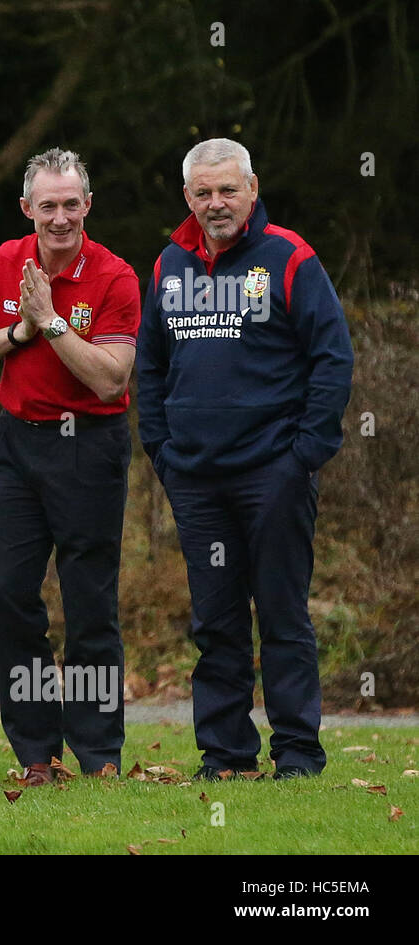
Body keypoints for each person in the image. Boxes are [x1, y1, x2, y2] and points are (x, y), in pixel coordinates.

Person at [136, 138, 353, 781]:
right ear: (187, 198)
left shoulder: (290, 258)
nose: (216, 203)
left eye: (228, 190)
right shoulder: (169, 265)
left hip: (274, 474)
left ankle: (297, 756)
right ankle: (225, 755)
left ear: (252, 190)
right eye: (203, 193)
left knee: (282, 615)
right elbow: (149, 366)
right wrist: (163, 451)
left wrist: (305, 454)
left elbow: (332, 359)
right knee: (216, 622)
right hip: (196, 480)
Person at [0, 148, 140, 784]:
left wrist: (51, 322)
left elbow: (111, 381)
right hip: (16, 449)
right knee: (11, 597)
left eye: (71, 204)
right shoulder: (5, 262)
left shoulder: (115, 277)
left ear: (89, 205)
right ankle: (37, 753)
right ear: (27, 208)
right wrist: (20, 334)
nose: (60, 218)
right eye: (47, 206)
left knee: (89, 603)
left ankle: (99, 754)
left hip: (89, 446)